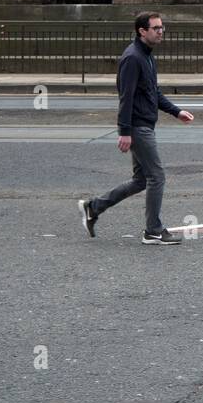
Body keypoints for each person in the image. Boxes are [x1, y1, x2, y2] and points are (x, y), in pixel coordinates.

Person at [79, 12, 195, 245]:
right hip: (138, 126)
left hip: (144, 124)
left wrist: (176, 111)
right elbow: (126, 97)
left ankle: (94, 207)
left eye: (162, 27)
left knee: (141, 180)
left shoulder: (147, 56)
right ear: (142, 31)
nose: (161, 31)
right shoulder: (133, 58)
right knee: (157, 177)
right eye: (156, 28)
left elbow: (154, 92)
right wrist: (124, 131)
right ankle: (153, 230)